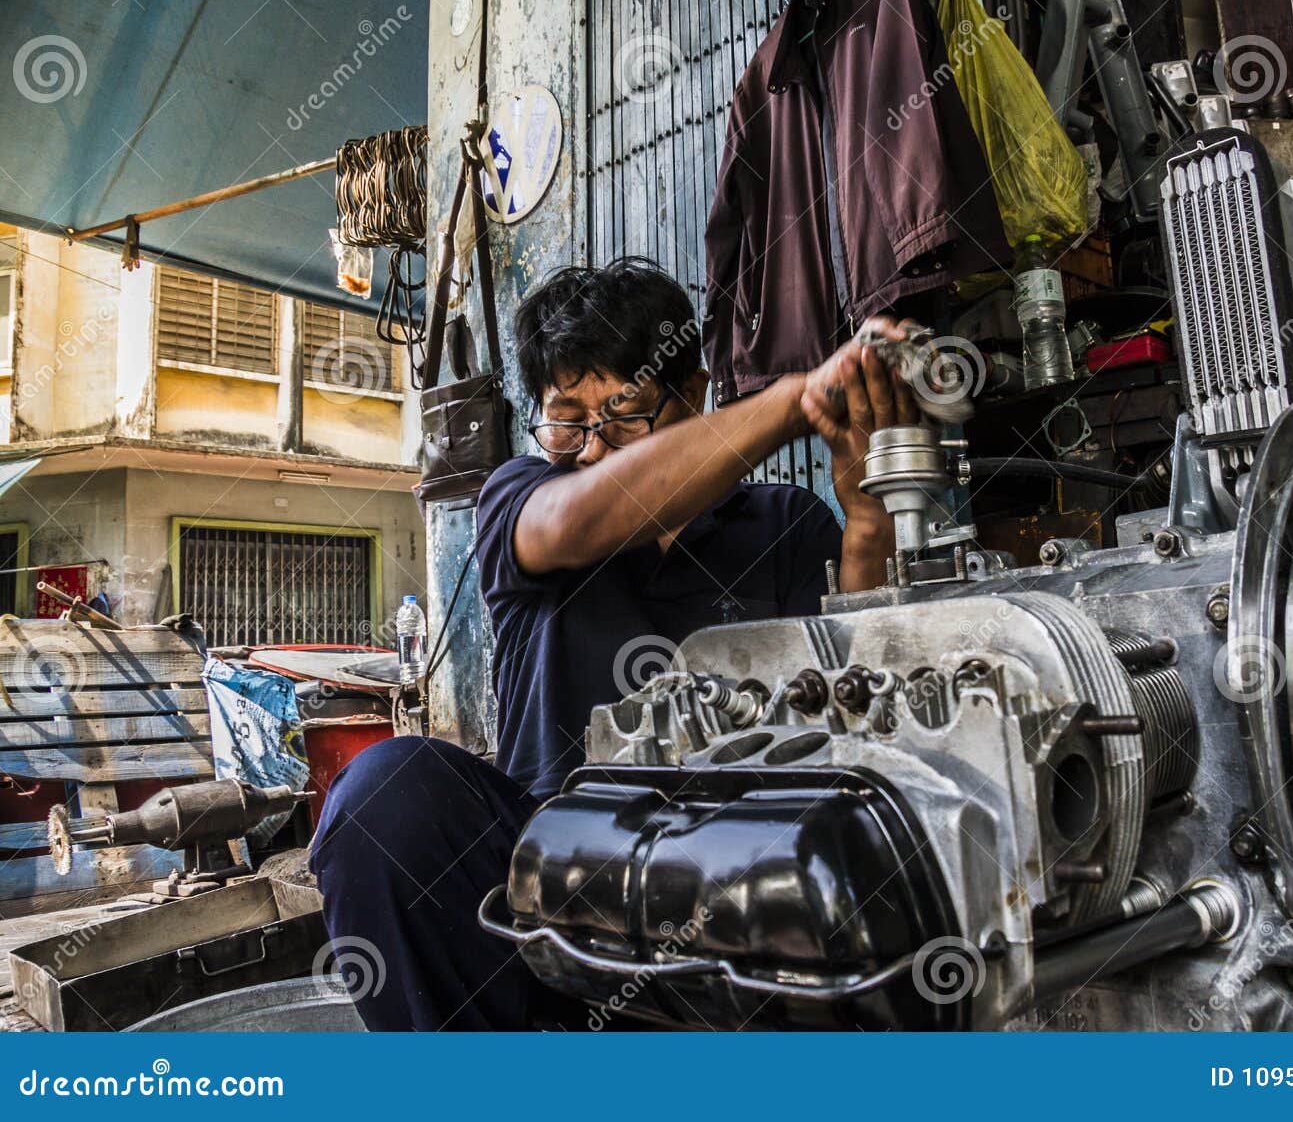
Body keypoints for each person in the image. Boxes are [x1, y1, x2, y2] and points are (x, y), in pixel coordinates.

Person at [312, 257, 920, 1029]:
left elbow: (861, 693)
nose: (594, 447)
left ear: (693, 398)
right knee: (383, 796)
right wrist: (794, 399)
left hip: (739, 896)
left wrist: (869, 518)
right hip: (548, 891)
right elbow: (574, 520)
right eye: (567, 416)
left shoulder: (783, 526)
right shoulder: (524, 497)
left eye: (627, 412)